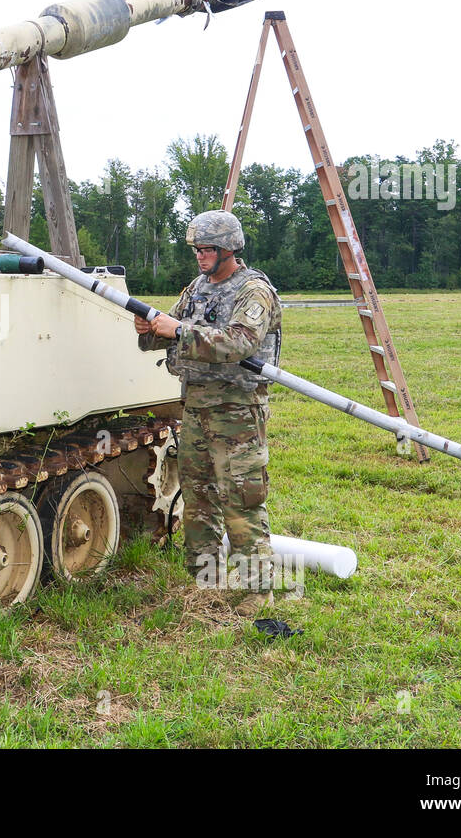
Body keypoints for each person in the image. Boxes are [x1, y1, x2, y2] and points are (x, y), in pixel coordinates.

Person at [134, 210, 282, 617]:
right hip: (197, 404)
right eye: (197, 249)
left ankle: (258, 589)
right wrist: (148, 331)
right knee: (198, 495)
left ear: (229, 249)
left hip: (237, 410)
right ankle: (205, 578)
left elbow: (239, 344)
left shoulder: (254, 291)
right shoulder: (197, 288)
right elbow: (171, 334)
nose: (200, 256)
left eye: (207, 249)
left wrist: (177, 330)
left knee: (241, 498)